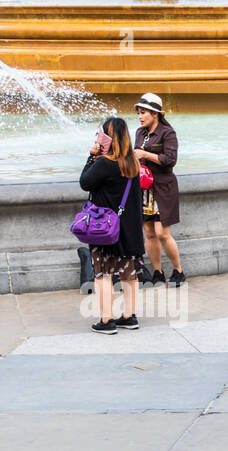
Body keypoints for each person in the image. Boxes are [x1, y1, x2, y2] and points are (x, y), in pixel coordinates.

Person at [79, 116, 145, 334]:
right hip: (129, 229)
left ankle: (106, 320)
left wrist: (91, 156)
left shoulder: (105, 163)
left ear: (108, 137)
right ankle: (129, 316)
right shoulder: (133, 163)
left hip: (105, 229)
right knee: (128, 274)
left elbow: (84, 182)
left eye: (102, 133)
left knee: (103, 274)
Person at [132, 93, 183, 286]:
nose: (140, 116)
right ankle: (157, 272)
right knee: (149, 233)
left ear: (155, 114)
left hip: (163, 189)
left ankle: (178, 270)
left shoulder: (167, 133)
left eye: (143, 112)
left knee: (162, 233)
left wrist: (145, 154)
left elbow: (170, 160)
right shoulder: (139, 132)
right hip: (144, 189)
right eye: (139, 113)